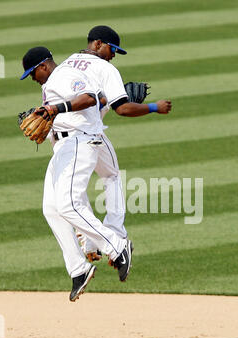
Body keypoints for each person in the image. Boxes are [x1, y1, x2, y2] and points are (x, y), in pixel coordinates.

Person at [20, 46, 133, 302]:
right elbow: (58, 117)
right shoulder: (49, 84)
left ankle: (117, 246)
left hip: (80, 143)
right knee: (51, 208)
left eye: (33, 72)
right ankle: (78, 269)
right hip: (62, 146)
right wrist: (46, 119)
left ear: (44, 66)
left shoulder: (64, 74)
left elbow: (89, 98)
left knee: (69, 205)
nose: (33, 78)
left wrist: (54, 109)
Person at [59, 25, 172, 265]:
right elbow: (122, 108)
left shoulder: (68, 62)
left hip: (60, 138)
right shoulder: (105, 68)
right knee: (109, 179)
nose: (113, 55)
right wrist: (154, 107)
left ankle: (90, 241)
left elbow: (79, 98)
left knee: (73, 197)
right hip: (89, 137)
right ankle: (115, 237)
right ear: (98, 43)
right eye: (112, 49)